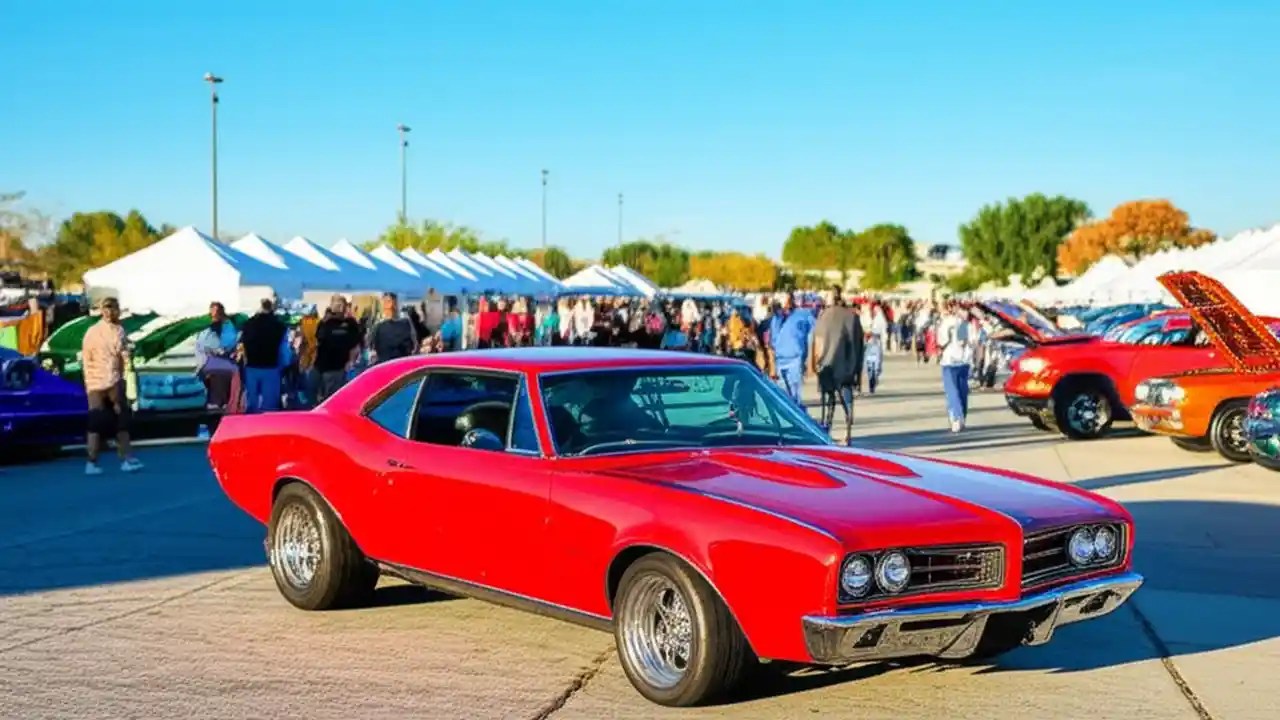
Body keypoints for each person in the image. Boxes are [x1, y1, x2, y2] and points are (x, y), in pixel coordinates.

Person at [81, 297, 143, 475]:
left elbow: (86, 358)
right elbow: (123, 357)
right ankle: (127, 458)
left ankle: (91, 462)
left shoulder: (91, 332)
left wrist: (88, 381)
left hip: (94, 383)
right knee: (120, 420)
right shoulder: (118, 331)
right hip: (112, 380)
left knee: (95, 422)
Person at [239, 298, 291, 413]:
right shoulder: (279, 326)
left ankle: (251, 426)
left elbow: (242, 345)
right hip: (271, 367)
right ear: (272, 308)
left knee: (252, 402)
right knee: (270, 404)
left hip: (252, 367)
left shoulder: (248, 324)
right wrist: (285, 366)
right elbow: (284, 350)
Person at [314, 295, 362, 401]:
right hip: (326, 368)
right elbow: (319, 340)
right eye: (337, 304)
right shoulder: (325, 323)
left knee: (334, 399)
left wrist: (351, 361)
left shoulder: (350, 324)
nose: (339, 307)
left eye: (341, 304)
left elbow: (356, 345)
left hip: (339, 369)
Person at [768, 293, 814, 406]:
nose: (784, 304)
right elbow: (772, 341)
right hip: (780, 359)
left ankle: (798, 417)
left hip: (795, 359)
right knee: (783, 395)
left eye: (786, 300)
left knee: (795, 394)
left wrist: (810, 359)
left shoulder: (803, 315)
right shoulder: (776, 319)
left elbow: (814, 333)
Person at [194, 302, 240, 410]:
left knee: (224, 372)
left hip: (207, 360)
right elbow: (220, 349)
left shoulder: (208, 327)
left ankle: (220, 401)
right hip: (208, 360)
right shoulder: (215, 328)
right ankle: (233, 404)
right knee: (236, 370)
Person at [938, 304, 975, 432]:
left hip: (952, 361)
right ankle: (960, 417)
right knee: (960, 390)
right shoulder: (969, 325)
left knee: (954, 391)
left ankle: (957, 418)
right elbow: (973, 343)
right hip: (961, 361)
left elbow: (942, 341)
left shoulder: (949, 322)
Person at [368, 292, 418, 363]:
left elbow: (414, 342)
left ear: (396, 303)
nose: (390, 306)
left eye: (391, 302)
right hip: (385, 364)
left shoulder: (405, 321)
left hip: (402, 363)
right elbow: (370, 345)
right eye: (386, 302)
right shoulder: (378, 324)